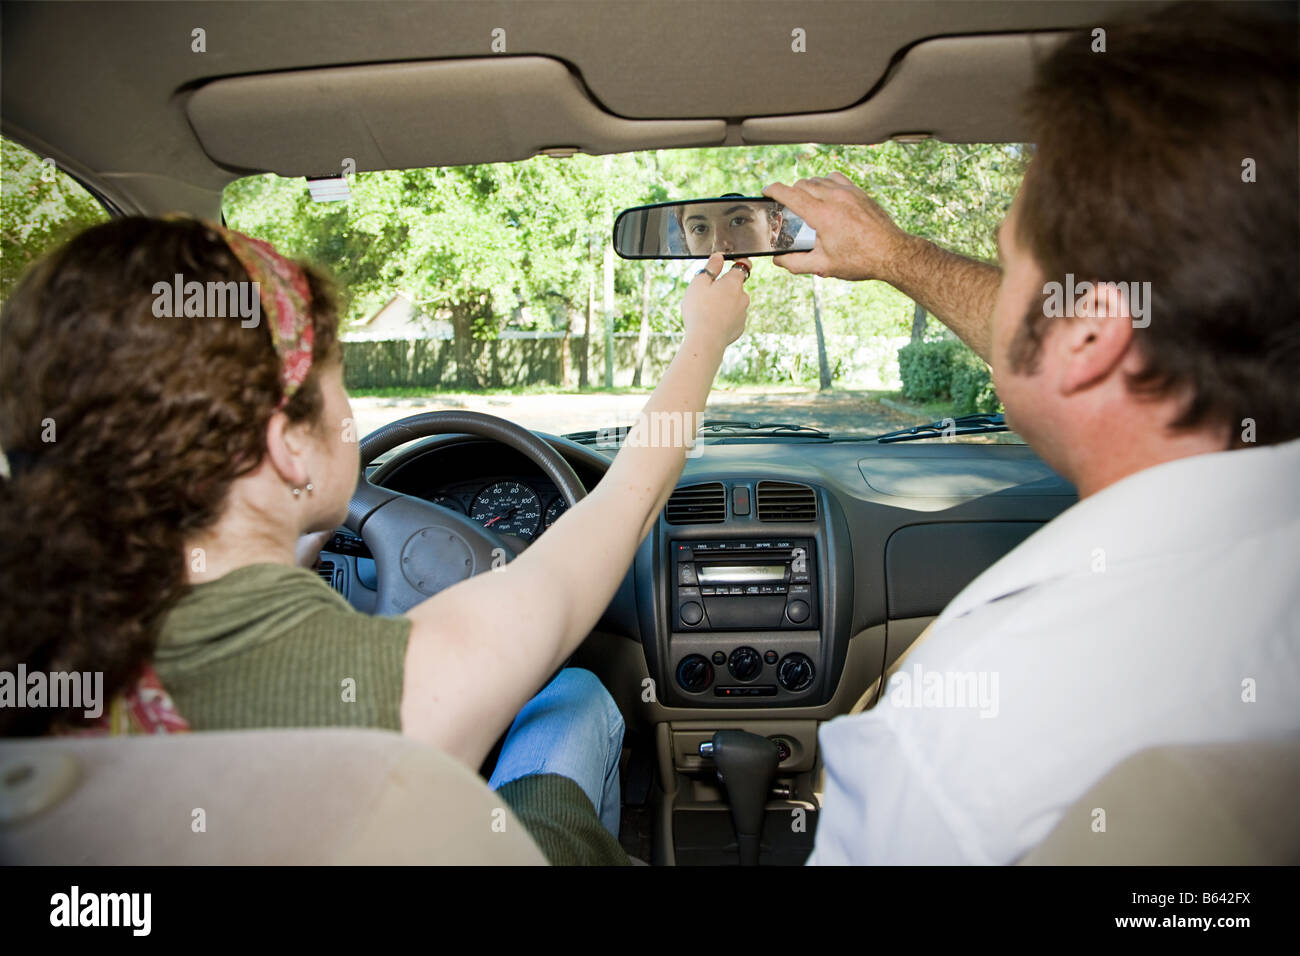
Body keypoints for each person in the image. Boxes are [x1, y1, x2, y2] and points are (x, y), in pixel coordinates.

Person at [0, 216, 751, 864]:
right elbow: (628, 498)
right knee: (575, 698)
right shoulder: (373, 693)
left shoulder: (37, 640)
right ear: (288, 446)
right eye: (338, 380)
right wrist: (706, 336)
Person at [762, 2, 1299, 863]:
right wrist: (895, 255)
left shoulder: (961, 733)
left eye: (1010, 262)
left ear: (1086, 334)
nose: (1002, 284)